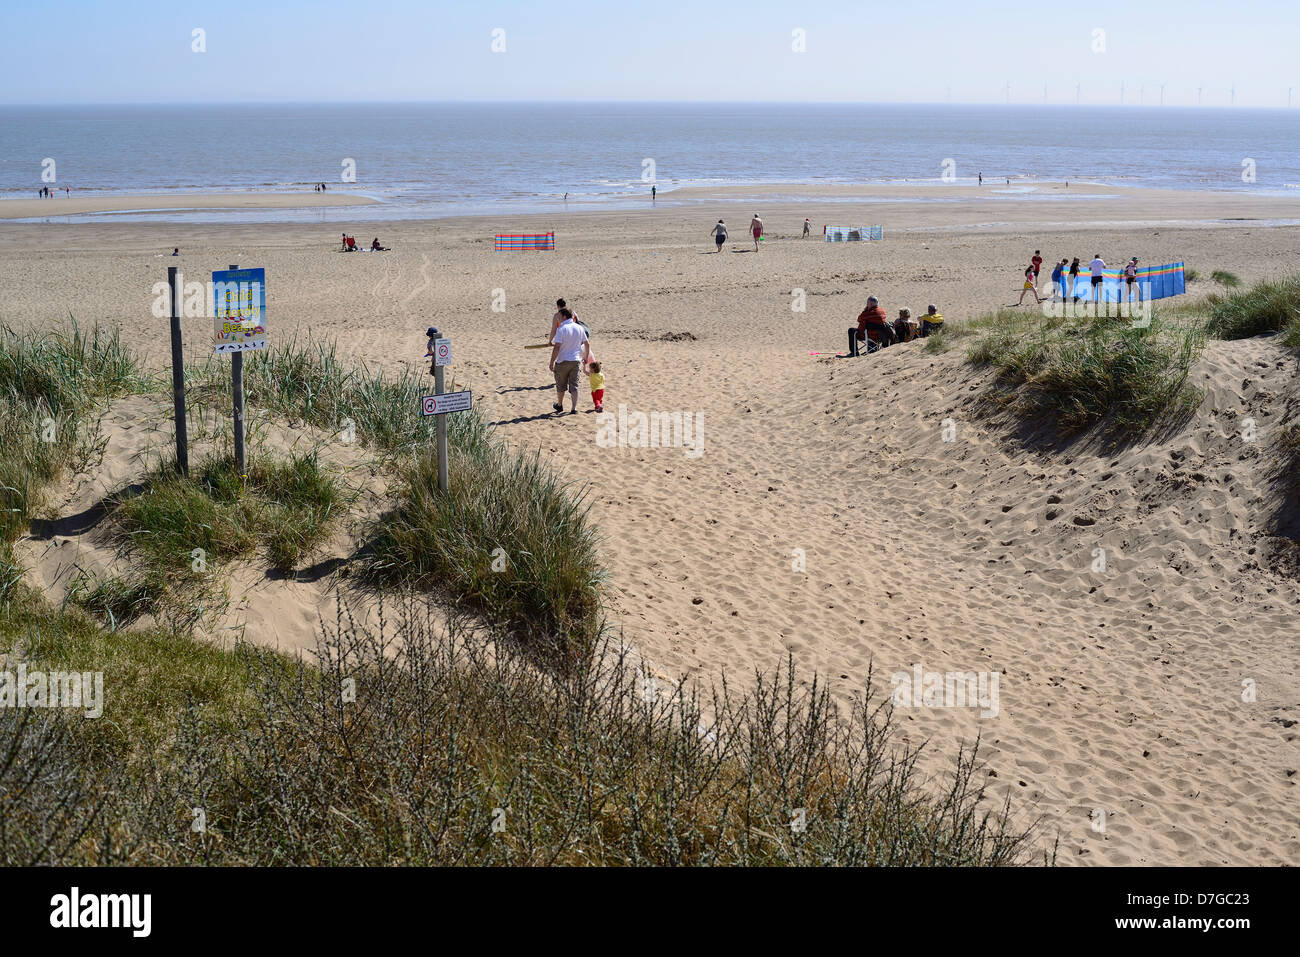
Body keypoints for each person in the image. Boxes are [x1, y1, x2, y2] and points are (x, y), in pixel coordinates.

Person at [549, 308, 590, 415]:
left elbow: (557, 347)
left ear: (564, 316)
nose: (558, 318)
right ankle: (574, 408)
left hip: (562, 360)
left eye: (559, 316)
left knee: (560, 385)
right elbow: (587, 343)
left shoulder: (562, 328)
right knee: (574, 385)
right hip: (576, 360)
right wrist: (585, 357)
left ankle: (560, 405)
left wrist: (551, 361)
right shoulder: (579, 328)